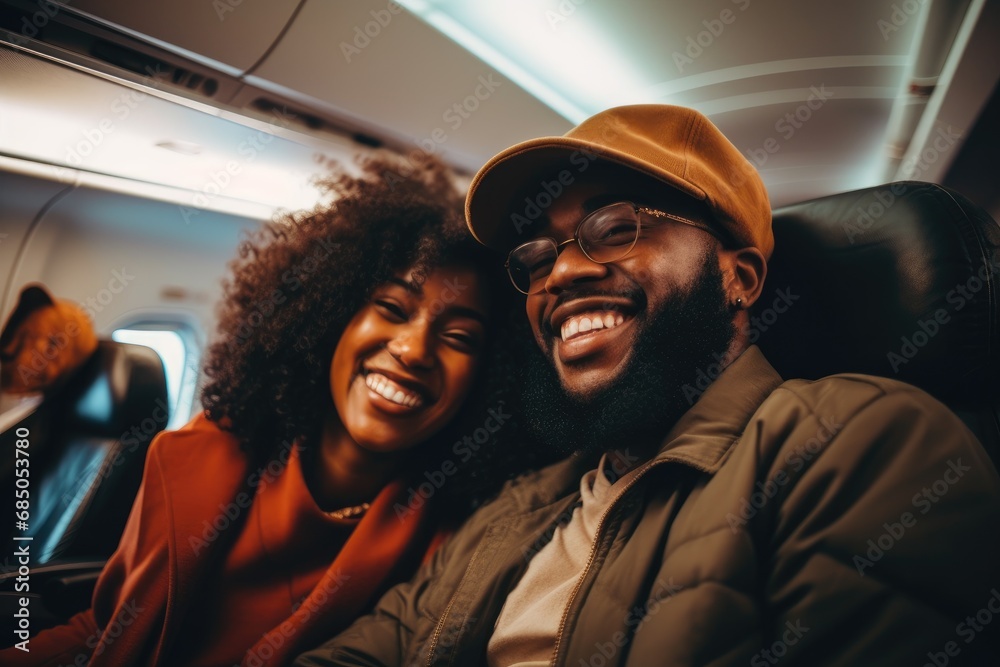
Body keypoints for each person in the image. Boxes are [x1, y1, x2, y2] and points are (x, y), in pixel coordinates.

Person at [295, 105, 1000, 666]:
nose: (562, 273)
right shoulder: (525, 501)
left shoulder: (857, 447)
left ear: (740, 277)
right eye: (539, 254)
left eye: (617, 225)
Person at [1, 153, 531, 666]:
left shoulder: (457, 544)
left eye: (460, 337)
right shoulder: (194, 455)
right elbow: (108, 629)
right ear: (330, 314)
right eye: (391, 308)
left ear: (488, 379)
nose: (414, 350)